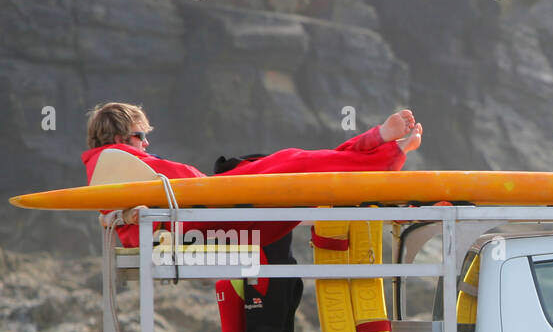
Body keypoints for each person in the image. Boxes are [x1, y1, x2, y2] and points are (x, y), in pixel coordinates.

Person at [82, 102, 423, 249]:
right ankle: (381, 151)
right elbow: (139, 221)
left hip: (209, 204)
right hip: (205, 212)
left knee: (294, 166)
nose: (147, 142)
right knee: (295, 167)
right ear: (118, 138)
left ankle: (376, 146)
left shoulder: (112, 167)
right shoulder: (114, 162)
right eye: (140, 136)